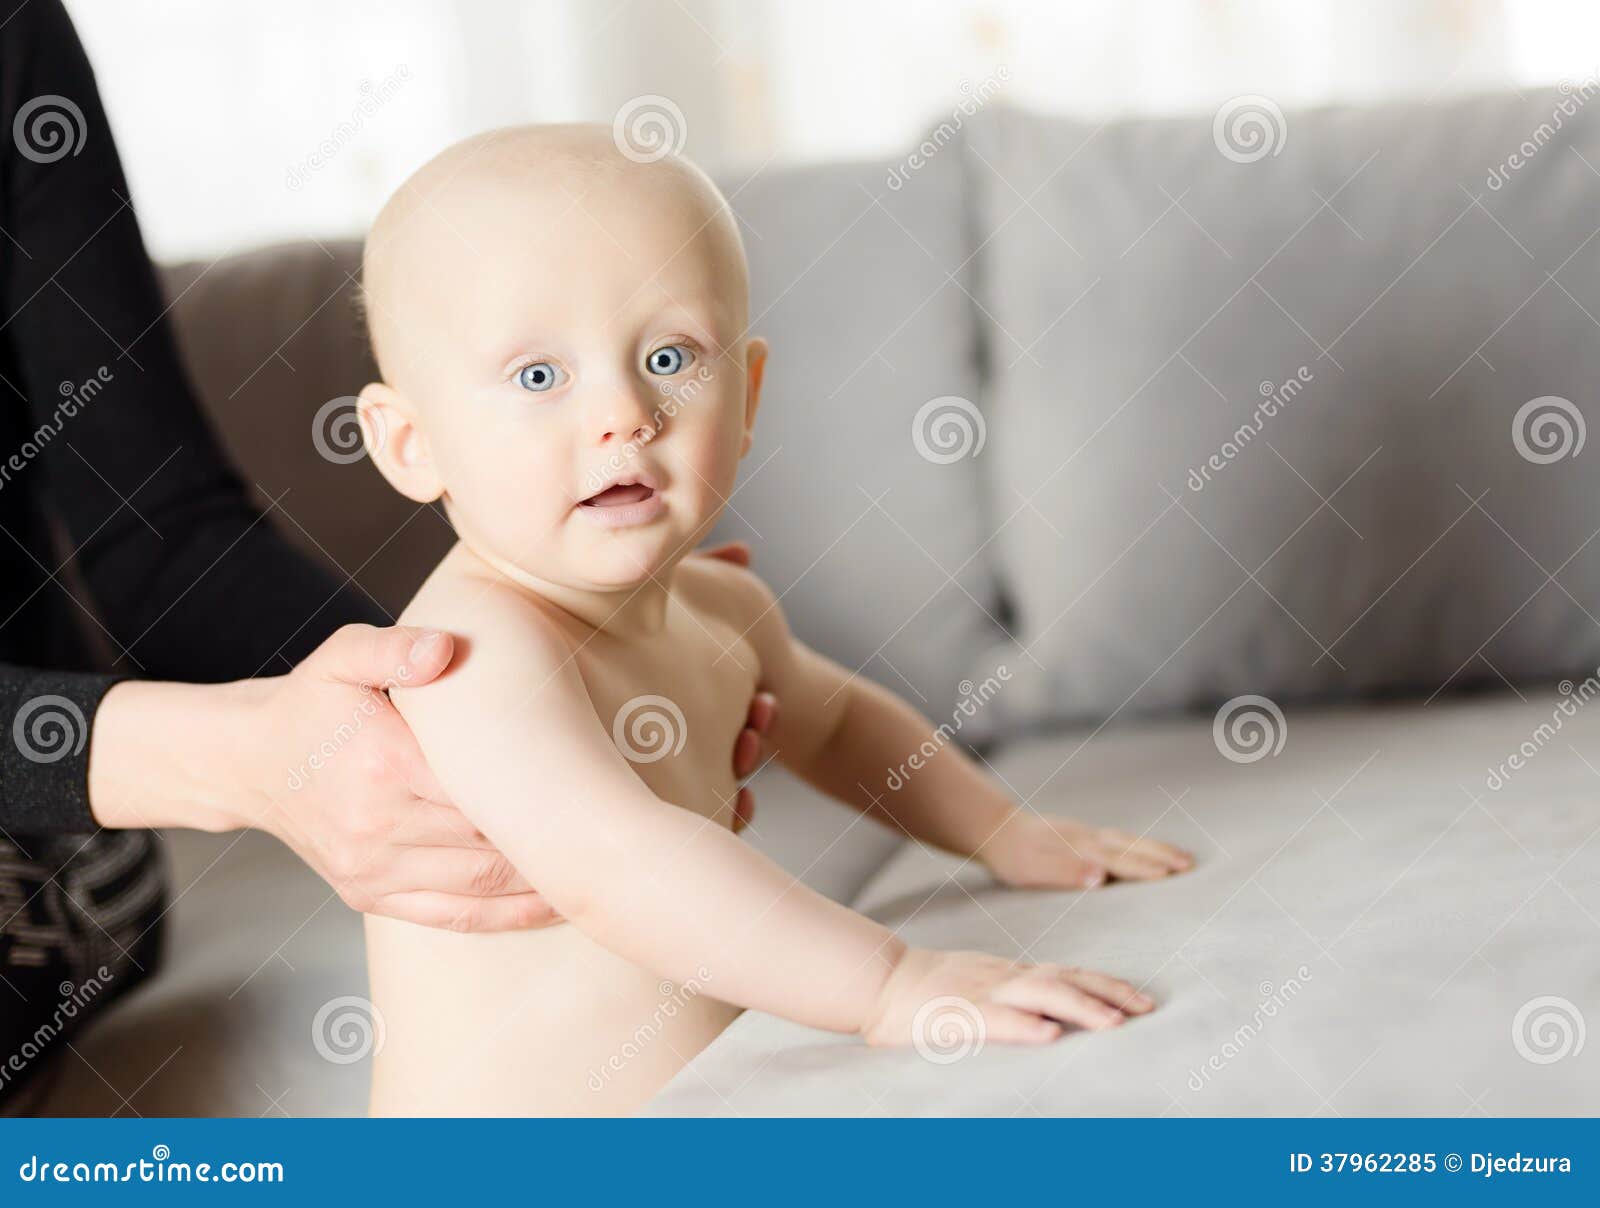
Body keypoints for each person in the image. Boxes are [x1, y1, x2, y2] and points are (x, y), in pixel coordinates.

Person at [0, 1, 775, 1113]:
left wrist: (477, 700)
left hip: (54, 869)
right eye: (543, 375)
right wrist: (243, 758)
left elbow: (164, 540)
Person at [354, 123, 1195, 1115]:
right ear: (411, 444)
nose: (624, 412)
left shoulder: (723, 607)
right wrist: (890, 980)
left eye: (669, 355)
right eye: (540, 376)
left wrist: (1000, 831)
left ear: (746, 396)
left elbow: (839, 724)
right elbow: (615, 864)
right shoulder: (471, 657)